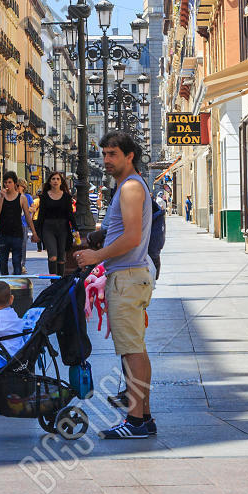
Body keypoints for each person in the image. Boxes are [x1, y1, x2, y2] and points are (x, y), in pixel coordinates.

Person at [74, 131, 157, 439]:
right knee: (136, 350)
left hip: (127, 277)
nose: (106, 160)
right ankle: (144, 417)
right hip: (128, 276)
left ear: (129, 156)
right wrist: (100, 237)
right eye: (104, 154)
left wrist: (97, 255)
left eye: (112, 154)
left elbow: (132, 237)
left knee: (131, 351)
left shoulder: (132, 188)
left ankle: (135, 421)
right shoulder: (126, 187)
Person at [0, 171, 36, 276]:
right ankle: (5, 286)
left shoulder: (21, 198)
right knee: (3, 262)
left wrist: (34, 233)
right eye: (5, 182)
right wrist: (2, 198)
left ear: (14, 184)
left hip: (17, 234)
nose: (7, 185)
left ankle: (16, 285)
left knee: (17, 262)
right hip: (3, 234)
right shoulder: (0, 197)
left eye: (9, 182)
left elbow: (27, 216)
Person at [36, 171, 77, 276]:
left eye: (58, 179)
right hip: (48, 228)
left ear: (61, 182)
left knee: (61, 258)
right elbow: (41, 215)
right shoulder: (44, 197)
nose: (55, 181)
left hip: (63, 228)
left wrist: (76, 229)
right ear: (49, 182)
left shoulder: (67, 197)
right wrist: (36, 232)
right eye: (53, 179)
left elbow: (70, 214)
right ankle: (53, 281)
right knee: (53, 256)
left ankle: (61, 282)